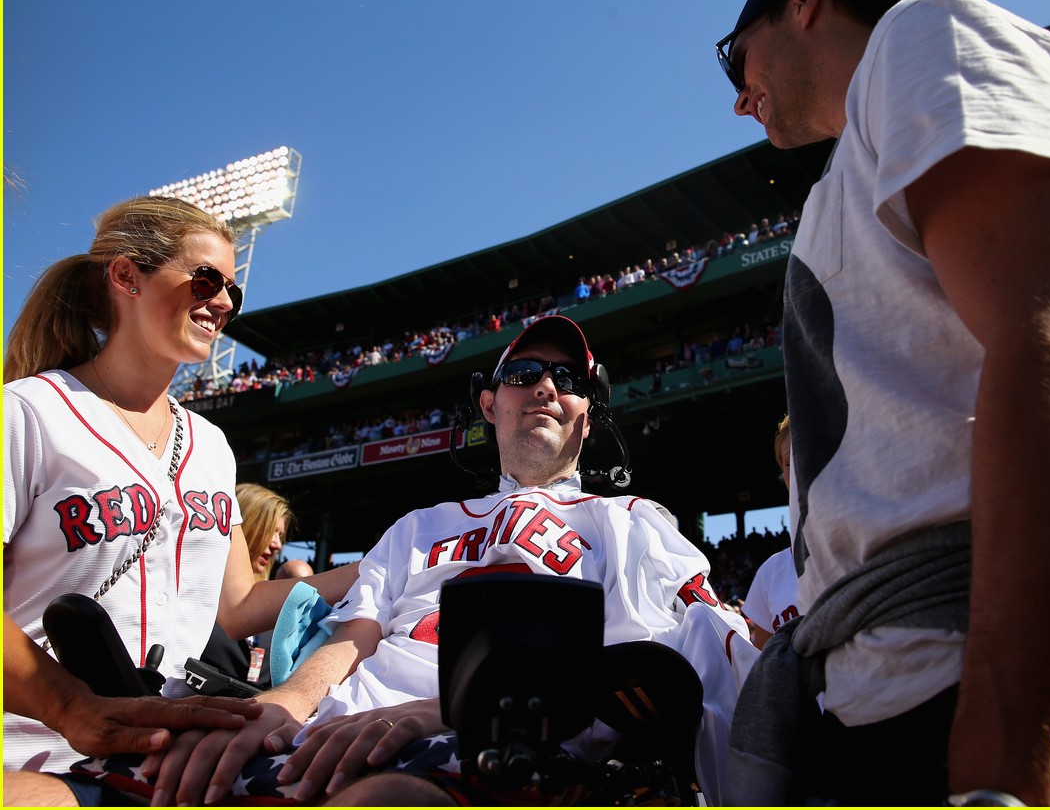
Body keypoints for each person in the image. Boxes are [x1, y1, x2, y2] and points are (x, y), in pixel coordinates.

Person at [715, 0, 1050, 806]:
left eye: (736, 60)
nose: (739, 99)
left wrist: (1007, 772)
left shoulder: (923, 32)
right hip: (898, 689)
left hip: (1015, 693)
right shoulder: (847, 167)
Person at [102, 314, 755, 807]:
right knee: (96, 784)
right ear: (490, 404)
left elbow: (651, 671)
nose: (546, 387)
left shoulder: (635, 522)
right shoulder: (418, 526)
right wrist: (275, 708)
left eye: (569, 379)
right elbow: (352, 639)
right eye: (524, 373)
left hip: (495, 747)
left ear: (587, 416)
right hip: (341, 727)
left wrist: (450, 709)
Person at [2, 196, 358, 806]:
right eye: (205, 279)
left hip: (170, 756)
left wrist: (386, 562)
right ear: (125, 277)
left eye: (232, 291)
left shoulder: (212, 445)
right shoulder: (26, 412)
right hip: (33, 746)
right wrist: (70, 706)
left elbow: (238, 606)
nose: (222, 301)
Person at [199, 483, 296, 688]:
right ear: (244, 526)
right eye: (271, 531)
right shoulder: (199, 592)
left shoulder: (272, 608)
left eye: (280, 535)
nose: (277, 544)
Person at [741, 414, 798, 649]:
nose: (797, 468)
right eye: (788, 463)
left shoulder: (874, 547)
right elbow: (762, 665)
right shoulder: (771, 572)